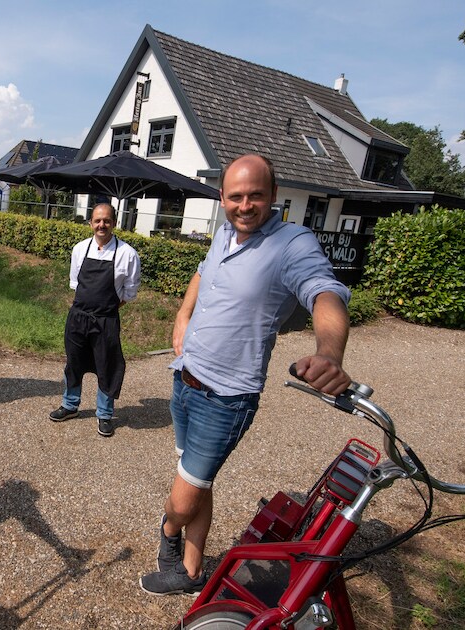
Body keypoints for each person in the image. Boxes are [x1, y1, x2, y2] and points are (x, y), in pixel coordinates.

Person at [138, 154, 353, 596]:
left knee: (182, 498)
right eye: (235, 196)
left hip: (226, 399)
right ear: (223, 197)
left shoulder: (292, 243)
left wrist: (328, 353)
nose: (245, 204)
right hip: (185, 381)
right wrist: (182, 314)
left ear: (274, 196)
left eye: (256, 195)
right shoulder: (223, 234)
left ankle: (169, 533)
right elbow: (203, 273)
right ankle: (191, 572)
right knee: (198, 481)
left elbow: (325, 292)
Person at [48, 203, 141, 437]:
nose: (102, 225)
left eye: (107, 221)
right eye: (97, 220)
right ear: (91, 223)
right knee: (74, 362)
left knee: (107, 366)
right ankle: (70, 406)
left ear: (114, 223)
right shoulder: (80, 249)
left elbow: (128, 293)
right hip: (78, 318)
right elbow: (75, 284)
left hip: (106, 321)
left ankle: (105, 414)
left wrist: (105, 308)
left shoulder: (128, 254)